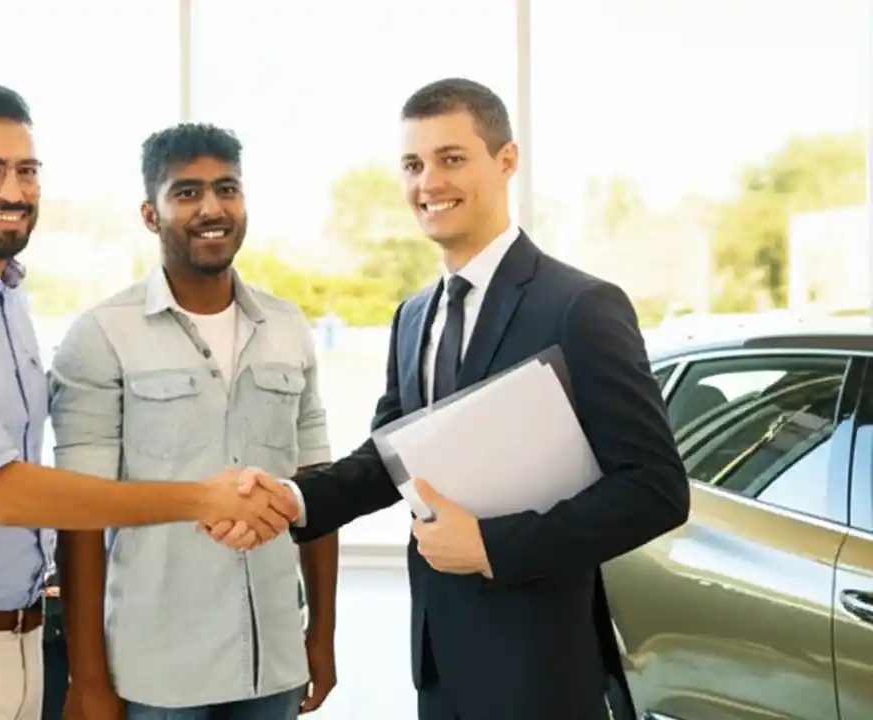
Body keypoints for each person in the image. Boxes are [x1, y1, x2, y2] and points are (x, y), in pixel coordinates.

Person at [215, 77, 690, 719]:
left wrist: (495, 546)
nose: (428, 182)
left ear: (507, 161)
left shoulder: (580, 306)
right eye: (413, 165)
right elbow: (390, 460)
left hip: (540, 669)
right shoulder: (413, 317)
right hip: (441, 668)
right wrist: (294, 498)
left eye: (451, 158)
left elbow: (656, 488)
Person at [0, 84, 297, 720]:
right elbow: (3, 494)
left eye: (27, 171)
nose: (13, 191)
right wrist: (203, 497)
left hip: (17, 635)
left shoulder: (3, 297)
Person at [49, 123, 340, 720]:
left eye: (227, 189)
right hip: (156, 672)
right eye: (186, 192)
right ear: (150, 214)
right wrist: (89, 677)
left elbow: (318, 491)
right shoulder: (103, 335)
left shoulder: (288, 328)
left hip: (274, 662)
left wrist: (322, 637)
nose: (212, 207)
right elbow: (79, 518)